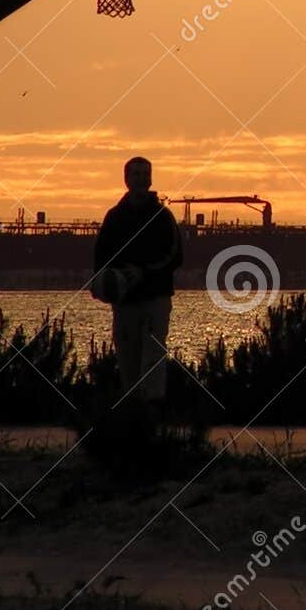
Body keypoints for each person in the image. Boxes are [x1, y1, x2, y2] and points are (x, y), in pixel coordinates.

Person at [91, 156, 184, 420]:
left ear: (151, 178)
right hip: (125, 301)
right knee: (128, 357)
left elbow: (175, 257)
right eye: (137, 174)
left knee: (154, 354)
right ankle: (132, 412)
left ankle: (153, 410)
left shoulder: (164, 217)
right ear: (126, 179)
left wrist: (143, 272)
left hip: (156, 298)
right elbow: (101, 256)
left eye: (146, 174)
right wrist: (101, 281)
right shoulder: (114, 217)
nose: (142, 179)